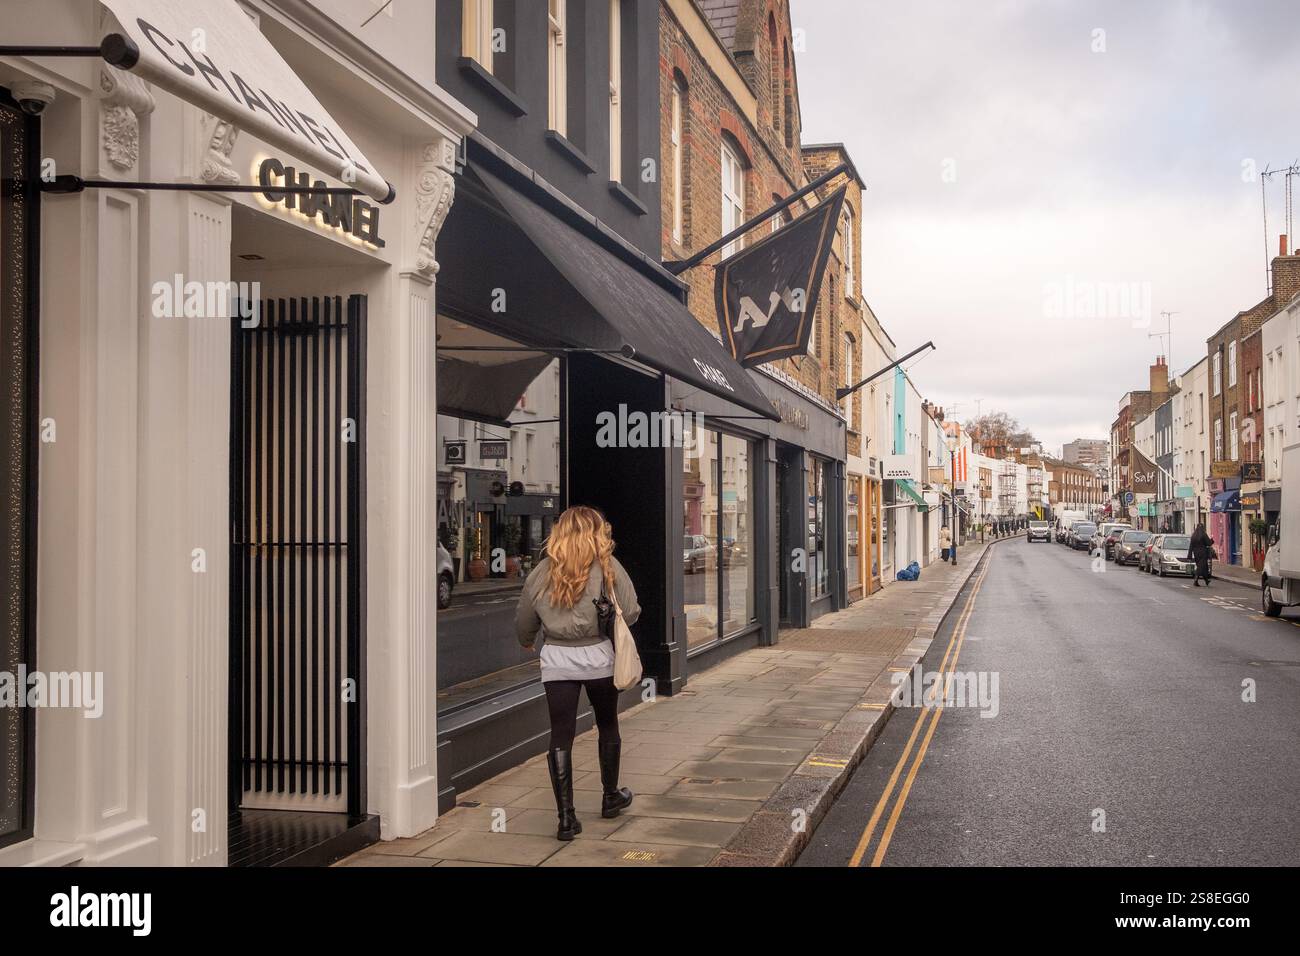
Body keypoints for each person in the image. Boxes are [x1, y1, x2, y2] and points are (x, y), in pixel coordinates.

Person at [515, 506, 640, 840]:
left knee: (560, 734)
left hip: (556, 658)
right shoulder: (608, 567)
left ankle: (566, 819)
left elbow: (524, 619)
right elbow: (631, 610)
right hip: (598, 654)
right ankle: (611, 797)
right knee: (607, 722)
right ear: (597, 533)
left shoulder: (542, 571)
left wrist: (528, 640)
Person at [1187, 522, 1215, 587]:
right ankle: (1195, 580)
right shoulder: (1203, 534)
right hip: (1203, 553)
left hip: (1196, 553)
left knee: (1204, 567)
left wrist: (1189, 556)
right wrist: (1212, 540)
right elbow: (1209, 543)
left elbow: (1191, 546)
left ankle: (1206, 581)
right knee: (1200, 567)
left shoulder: (1193, 535)